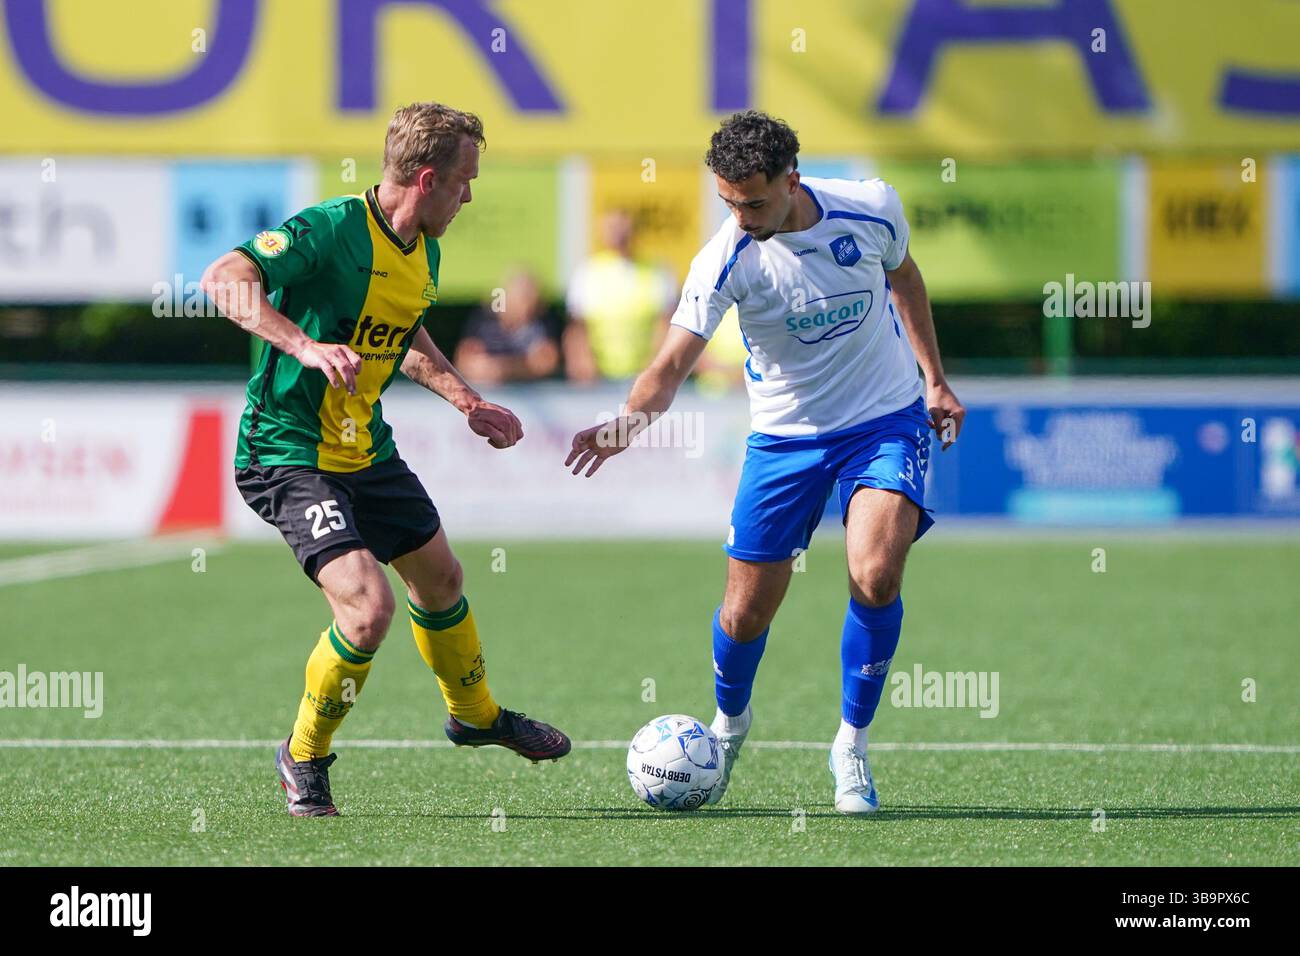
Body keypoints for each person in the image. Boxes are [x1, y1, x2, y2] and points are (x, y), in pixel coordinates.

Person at [565, 110, 965, 814]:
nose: (740, 215)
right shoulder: (724, 258)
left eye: (753, 201)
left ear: (792, 180)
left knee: (875, 574)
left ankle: (851, 746)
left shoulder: (870, 208)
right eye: (727, 201)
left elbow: (906, 280)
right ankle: (731, 721)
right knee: (745, 613)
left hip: (884, 421)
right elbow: (671, 363)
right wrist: (627, 422)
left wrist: (934, 379)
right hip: (784, 438)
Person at [201, 101, 570, 818]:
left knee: (441, 578)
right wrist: (304, 346)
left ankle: (476, 716)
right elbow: (223, 277)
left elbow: (404, 334)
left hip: (365, 448)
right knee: (366, 610)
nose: (470, 194)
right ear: (427, 178)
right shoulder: (330, 230)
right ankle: (303, 755)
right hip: (286, 450)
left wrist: (467, 400)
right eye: (464, 180)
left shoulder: (423, 250)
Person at [563, 209, 677, 382]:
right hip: (597, 379)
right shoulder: (587, 272)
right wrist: (583, 363)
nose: (619, 234)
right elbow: (578, 328)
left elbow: (665, 325)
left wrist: (652, 368)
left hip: (643, 376)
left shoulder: (657, 272)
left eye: (624, 228)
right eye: (613, 228)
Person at [454, 270, 559, 384]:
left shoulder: (542, 322)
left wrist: (503, 369)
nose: (526, 308)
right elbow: (464, 362)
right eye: (522, 299)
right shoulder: (485, 319)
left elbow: (546, 363)